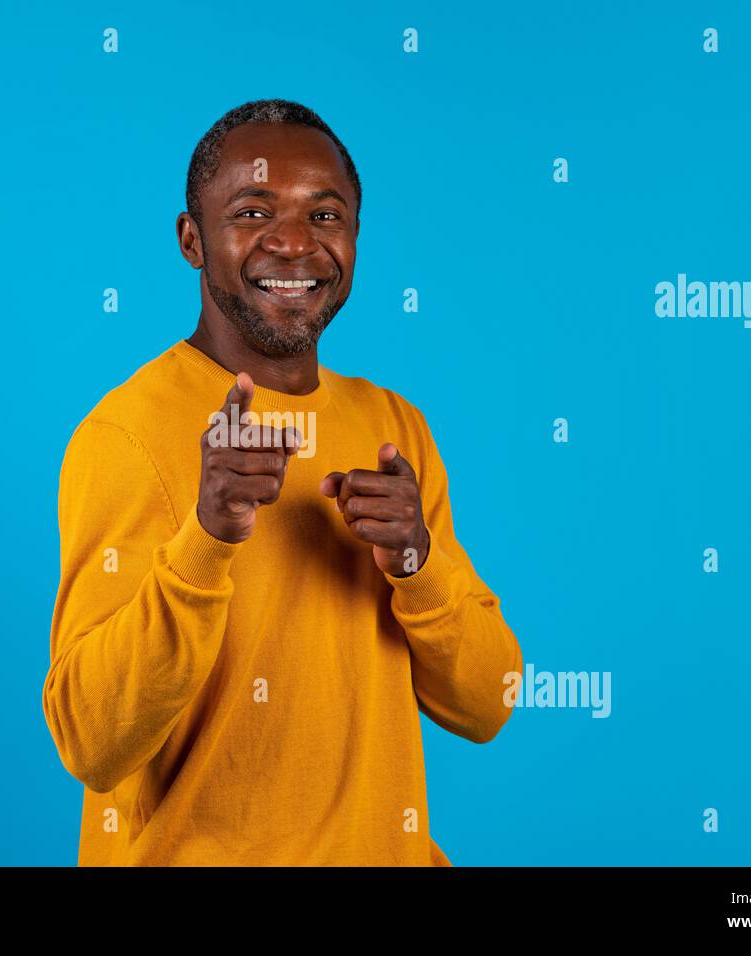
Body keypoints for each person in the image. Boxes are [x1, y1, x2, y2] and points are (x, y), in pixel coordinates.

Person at [42, 99, 522, 865]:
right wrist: (206, 540)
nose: (295, 242)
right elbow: (91, 741)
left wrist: (419, 568)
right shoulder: (125, 435)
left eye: (326, 216)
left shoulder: (396, 427)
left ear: (356, 238)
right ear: (192, 240)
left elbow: (487, 704)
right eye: (254, 210)